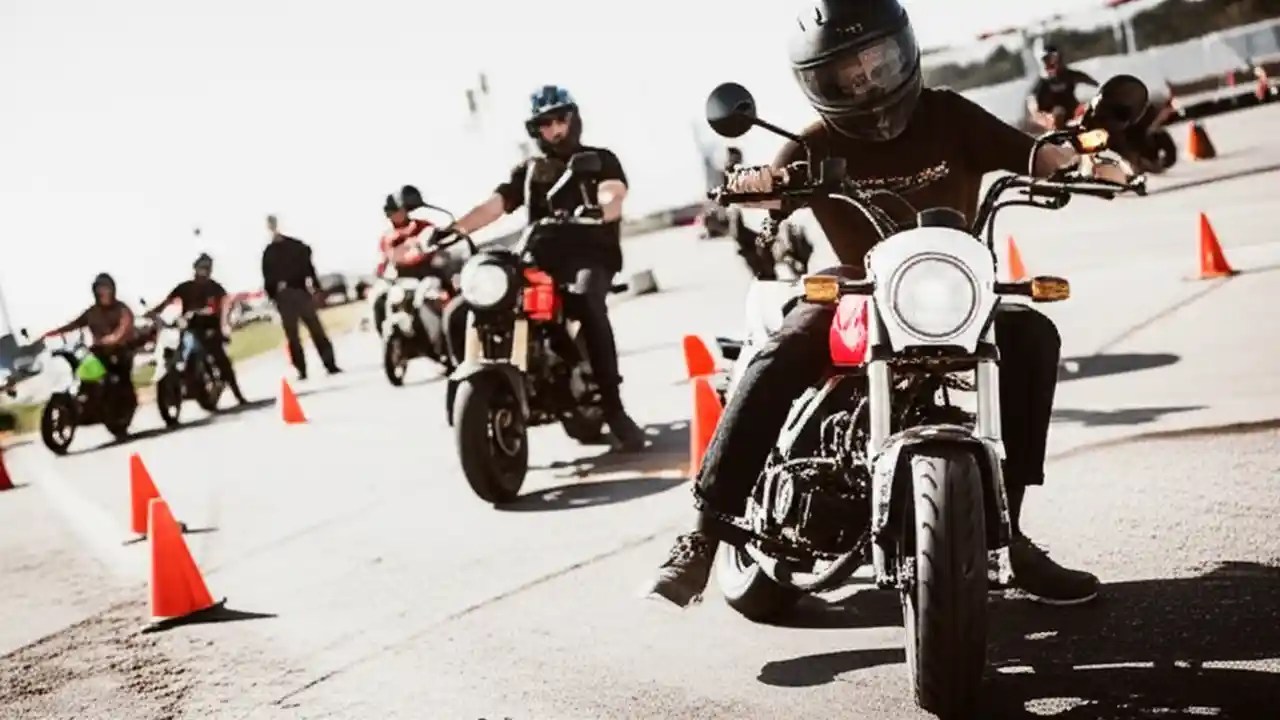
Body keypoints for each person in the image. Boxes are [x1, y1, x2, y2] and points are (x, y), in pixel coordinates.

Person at [647, 0, 1133, 609]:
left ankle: (1006, 536)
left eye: (874, 64)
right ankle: (704, 532)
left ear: (901, 52)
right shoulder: (812, 140)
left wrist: (1085, 162)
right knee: (787, 347)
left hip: (956, 284)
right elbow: (770, 194)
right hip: (857, 288)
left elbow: (1034, 155)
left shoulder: (949, 113)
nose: (866, 83)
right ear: (819, 83)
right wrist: (757, 189)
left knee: (1032, 334)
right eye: (845, 76)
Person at [448, 84, 646, 451]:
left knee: (587, 299)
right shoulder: (528, 171)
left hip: (589, 256)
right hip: (540, 260)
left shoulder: (598, 159)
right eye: (545, 123)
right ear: (535, 130)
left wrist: (601, 209)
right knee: (462, 309)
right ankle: (481, 388)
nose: (555, 129)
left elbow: (613, 193)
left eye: (560, 119)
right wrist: (452, 230)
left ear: (574, 119)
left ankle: (614, 408)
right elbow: (494, 206)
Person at [146, 253, 249, 405]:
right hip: (189, 329)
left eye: (207, 268)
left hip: (210, 329)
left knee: (221, 359)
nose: (204, 271)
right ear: (195, 268)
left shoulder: (215, 287)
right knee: (174, 351)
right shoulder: (185, 287)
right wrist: (152, 313)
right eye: (201, 267)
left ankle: (238, 394)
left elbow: (225, 304)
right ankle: (177, 383)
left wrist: (220, 318)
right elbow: (167, 302)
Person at [374, 186, 458, 363]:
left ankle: (447, 344)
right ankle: (388, 340)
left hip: (427, 276)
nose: (394, 215)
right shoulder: (387, 237)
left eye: (397, 211)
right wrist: (382, 269)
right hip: (400, 281)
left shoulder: (423, 227)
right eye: (390, 212)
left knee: (437, 300)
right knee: (378, 300)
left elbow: (439, 247)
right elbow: (384, 259)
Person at [260, 214, 341, 380]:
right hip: (291, 295)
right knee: (299, 335)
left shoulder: (289, 248)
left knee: (309, 332)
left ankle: (323, 365)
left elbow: (308, 269)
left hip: (297, 293)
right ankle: (309, 368)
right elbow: (269, 279)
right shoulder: (278, 250)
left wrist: (316, 289)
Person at [43, 273, 138, 403]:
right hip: (99, 350)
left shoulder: (122, 309)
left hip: (120, 350)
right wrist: (53, 332)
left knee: (117, 376)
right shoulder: (93, 312)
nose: (102, 292)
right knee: (84, 367)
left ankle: (125, 400)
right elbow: (74, 324)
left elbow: (123, 328)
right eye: (99, 288)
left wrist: (112, 338)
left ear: (112, 290)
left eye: (105, 288)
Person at [1027, 45, 1099, 131]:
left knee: (1090, 110)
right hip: (1051, 119)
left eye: (1056, 59)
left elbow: (1090, 81)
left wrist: (1099, 88)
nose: (1054, 63)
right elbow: (1034, 106)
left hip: (1073, 112)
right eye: (1048, 60)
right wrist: (1038, 114)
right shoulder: (1042, 84)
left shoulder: (1068, 75)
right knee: (1059, 112)